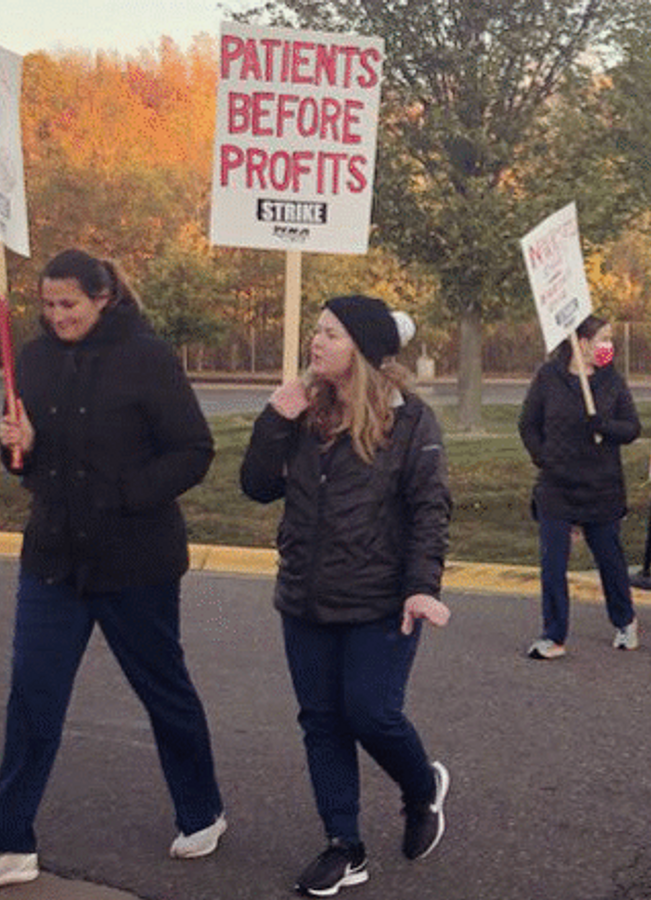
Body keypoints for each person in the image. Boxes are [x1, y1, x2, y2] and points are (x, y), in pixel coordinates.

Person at [0, 249, 225, 892]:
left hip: (136, 560)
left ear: (103, 297)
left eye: (69, 304)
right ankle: (10, 842)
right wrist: (14, 446)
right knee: (32, 697)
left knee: (164, 690)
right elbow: (22, 461)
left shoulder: (148, 357)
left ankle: (202, 810)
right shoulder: (32, 359)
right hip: (53, 557)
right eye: (47, 305)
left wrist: (125, 494)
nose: (57, 316)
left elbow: (194, 450)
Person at [240, 295, 453, 897]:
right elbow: (256, 487)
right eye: (316, 331)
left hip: (379, 598)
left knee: (371, 713)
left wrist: (421, 587)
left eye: (330, 333)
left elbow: (428, 507)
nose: (316, 341)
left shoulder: (409, 419)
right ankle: (344, 845)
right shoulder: (303, 409)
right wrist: (274, 420)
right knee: (322, 722)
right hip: (305, 595)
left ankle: (421, 789)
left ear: (359, 347)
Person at [518, 314, 643, 659]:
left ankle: (625, 619)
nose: (608, 345)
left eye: (611, 338)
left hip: (601, 486)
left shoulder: (611, 381)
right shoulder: (548, 377)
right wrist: (544, 457)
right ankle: (553, 635)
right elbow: (527, 424)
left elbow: (632, 428)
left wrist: (604, 425)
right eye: (603, 337)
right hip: (556, 487)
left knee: (609, 559)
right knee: (553, 563)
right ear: (582, 342)